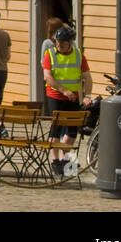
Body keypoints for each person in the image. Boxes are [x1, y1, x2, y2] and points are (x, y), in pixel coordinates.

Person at [41, 26, 90, 175]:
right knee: (56, 127)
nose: (59, 45)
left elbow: (87, 76)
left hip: (73, 96)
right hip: (55, 95)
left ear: (70, 42)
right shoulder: (50, 54)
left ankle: (65, 159)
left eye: (62, 43)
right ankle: (55, 161)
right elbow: (47, 77)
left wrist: (87, 95)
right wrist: (63, 90)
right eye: (57, 42)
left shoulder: (78, 55)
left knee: (72, 130)